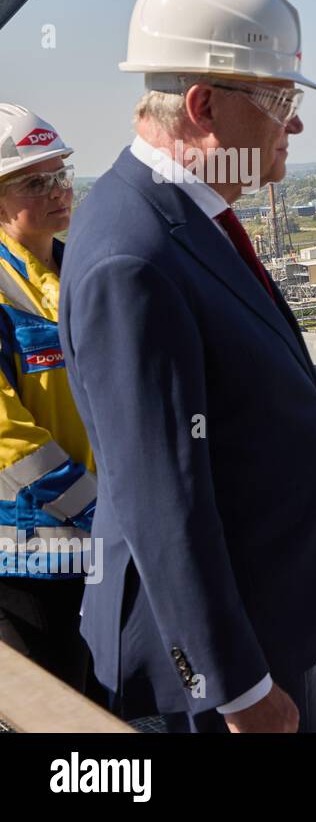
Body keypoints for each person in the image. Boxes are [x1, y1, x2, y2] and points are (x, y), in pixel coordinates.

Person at [58, 0, 316, 733]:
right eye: (281, 101)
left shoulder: (178, 216)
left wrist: (302, 426)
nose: (293, 127)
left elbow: (206, 392)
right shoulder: (133, 255)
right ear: (203, 107)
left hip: (256, 630)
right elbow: (159, 497)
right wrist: (235, 688)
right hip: (204, 679)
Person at [0, 105, 98, 695]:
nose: (58, 191)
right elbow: (8, 440)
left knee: (97, 687)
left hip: (95, 540)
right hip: (28, 554)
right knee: (53, 701)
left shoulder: (74, 267)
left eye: (60, 174)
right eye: (35, 181)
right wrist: (96, 505)